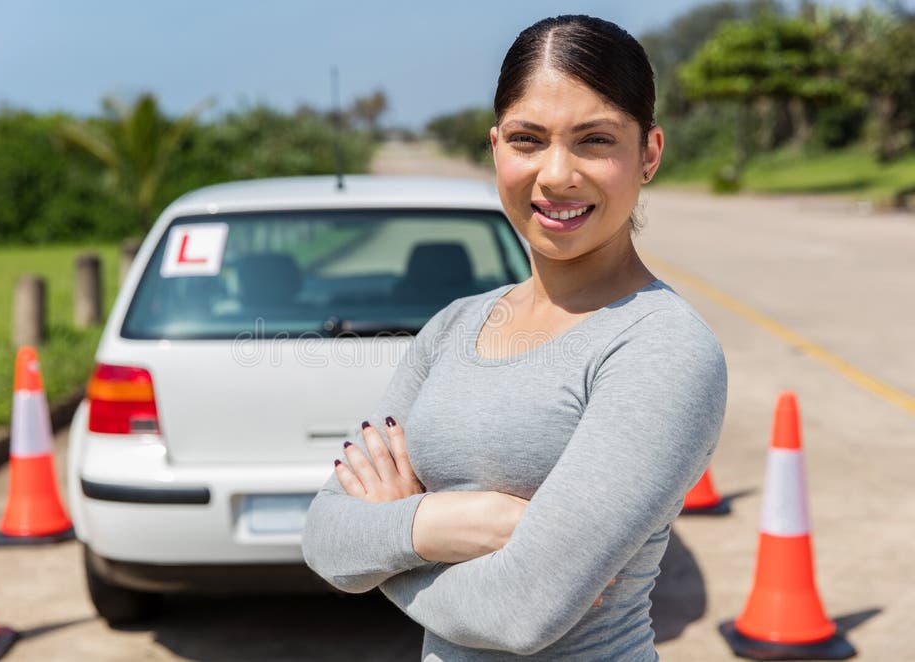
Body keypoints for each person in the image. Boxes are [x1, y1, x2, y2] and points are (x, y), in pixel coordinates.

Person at [301, 14, 727, 661]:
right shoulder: (454, 325)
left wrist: (385, 547)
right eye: (528, 140)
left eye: (594, 141)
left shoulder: (662, 347)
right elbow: (325, 536)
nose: (556, 175)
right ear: (496, 146)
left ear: (649, 154)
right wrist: (444, 523)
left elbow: (521, 613)